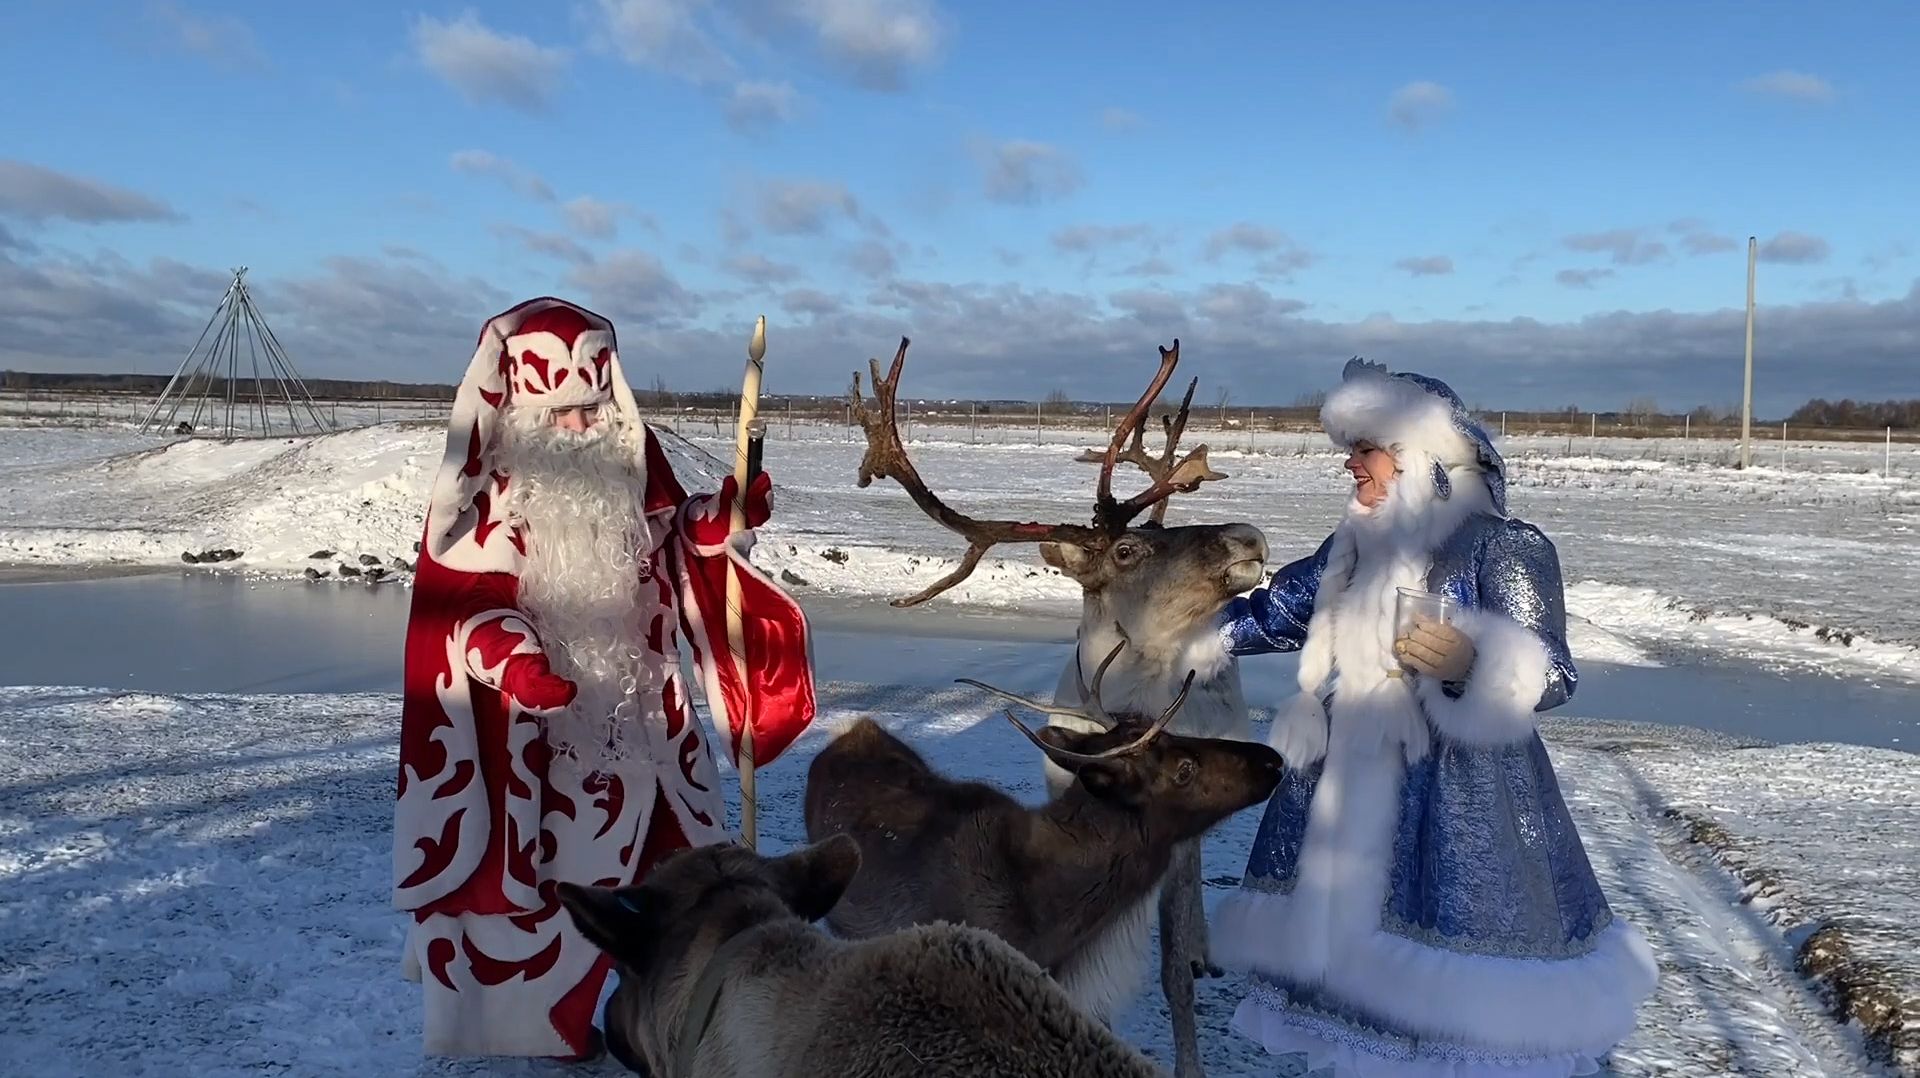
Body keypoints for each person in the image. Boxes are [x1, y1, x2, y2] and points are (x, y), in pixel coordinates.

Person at [391, 296, 816, 1059]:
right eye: (563, 416)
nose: (586, 428)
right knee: (567, 907)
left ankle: (702, 1007)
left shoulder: (629, 474)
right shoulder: (487, 512)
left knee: (690, 888)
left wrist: (723, 517)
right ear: (520, 415)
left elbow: (677, 542)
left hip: (657, 736)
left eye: (594, 409)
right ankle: (557, 1031)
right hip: (552, 763)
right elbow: (466, 608)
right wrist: (518, 667)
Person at [1212, 358, 1657, 1075]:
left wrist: (1472, 661)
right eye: (1349, 450)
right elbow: (1280, 613)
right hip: (1348, 770)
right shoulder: (1353, 546)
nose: (1351, 465)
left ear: (1414, 453)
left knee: (1453, 986)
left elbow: (1554, 672)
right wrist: (1182, 637)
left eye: (1365, 449)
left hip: (1463, 789)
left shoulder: (1501, 545)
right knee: (1350, 982)